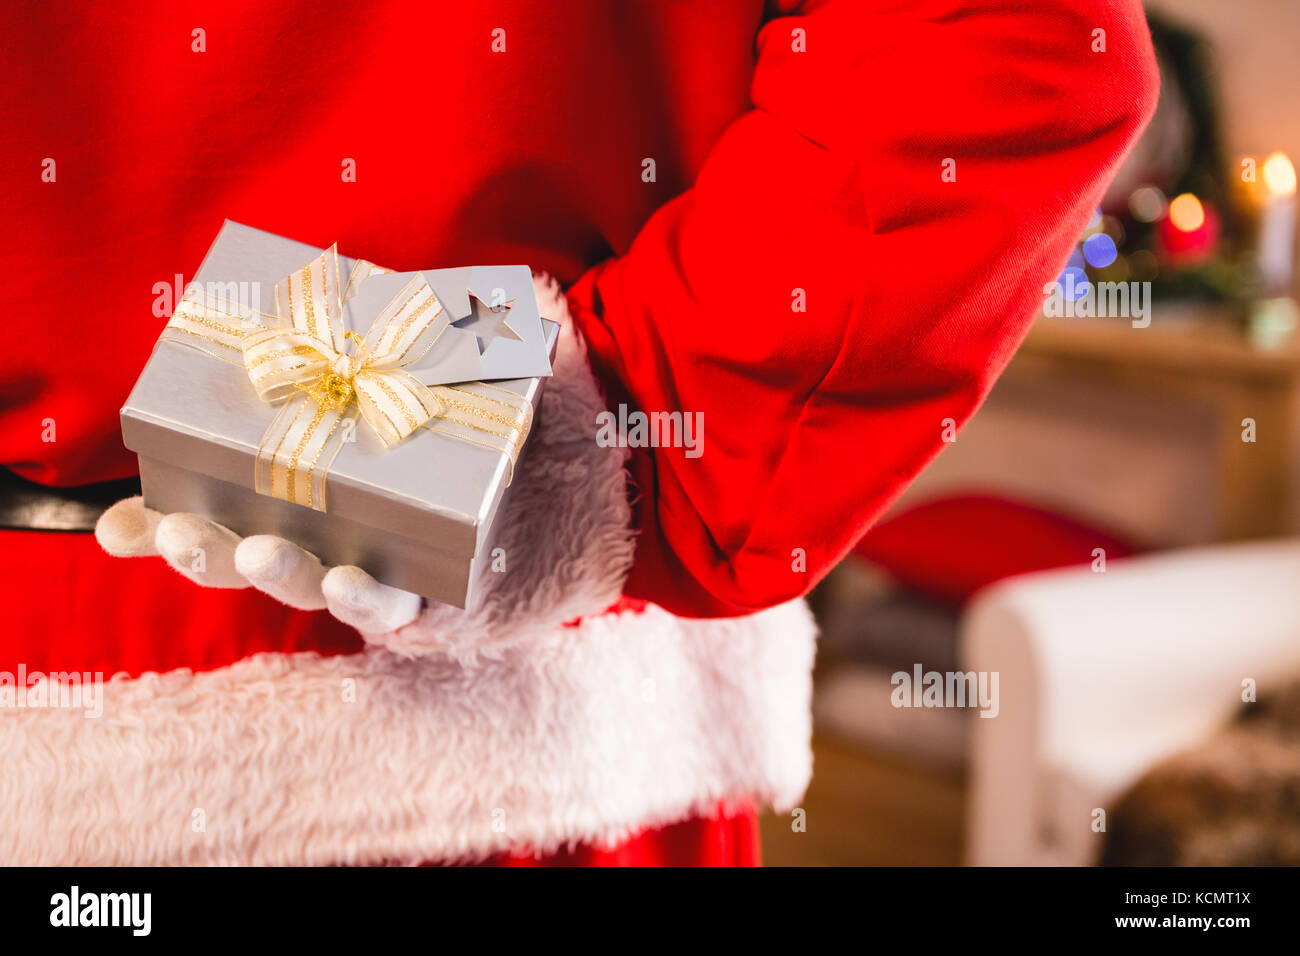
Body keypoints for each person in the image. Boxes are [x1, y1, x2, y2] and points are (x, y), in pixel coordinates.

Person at [0, 1, 1158, 865]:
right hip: (564, 752)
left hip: (530, 731)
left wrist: (591, 437)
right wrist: (623, 419)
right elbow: (1016, 49)